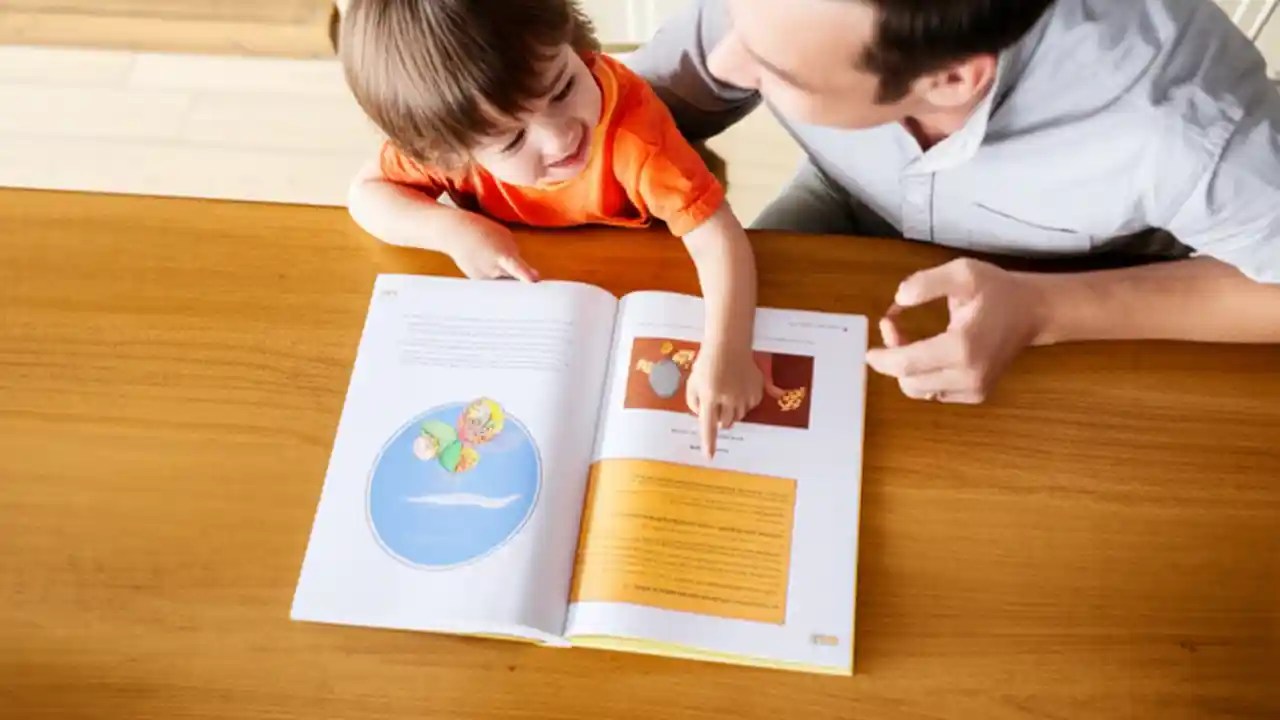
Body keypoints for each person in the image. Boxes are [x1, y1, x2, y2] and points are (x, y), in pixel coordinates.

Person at [627, 0, 1280, 404]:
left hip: (1088, 281)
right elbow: (629, 117)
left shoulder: (1184, 119)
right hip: (844, 200)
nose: (724, 63)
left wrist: (1046, 309)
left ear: (951, 79)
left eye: (777, 70)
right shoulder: (780, 18)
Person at [339, 0, 764, 455]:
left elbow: (716, 235)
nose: (560, 136)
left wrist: (728, 350)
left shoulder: (636, 138)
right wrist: (451, 230)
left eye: (562, 88)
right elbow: (366, 192)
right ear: (448, 156)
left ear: (572, 43)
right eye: (514, 139)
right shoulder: (457, 139)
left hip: (643, 262)